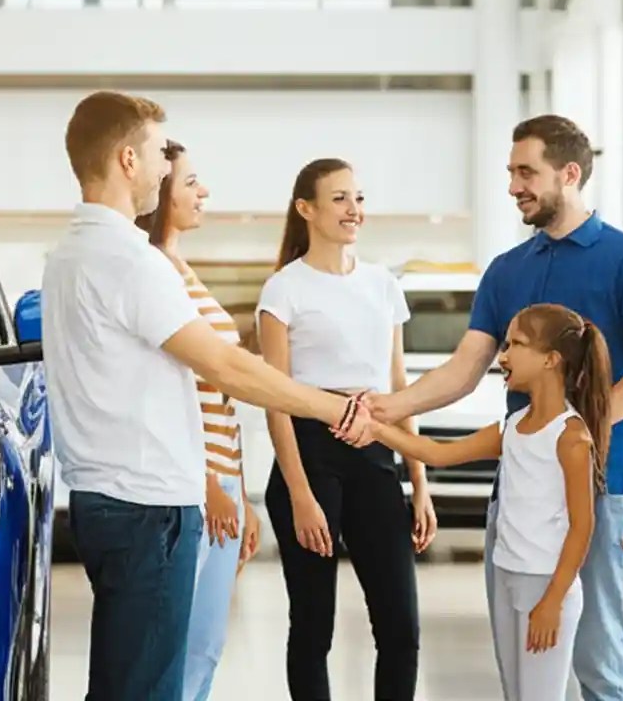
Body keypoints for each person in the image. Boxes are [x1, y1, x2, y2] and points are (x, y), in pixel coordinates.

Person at [43, 90, 374, 700]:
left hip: (104, 498)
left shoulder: (67, 255)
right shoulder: (131, 261)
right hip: (148, 509)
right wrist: (334, 406)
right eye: (154, 155)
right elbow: (224, 366)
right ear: (126, 161)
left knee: (123, 682)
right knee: (151, 688)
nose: (165, 170)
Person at [367, 114, 623, 701]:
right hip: (519, 492)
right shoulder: (507, 270)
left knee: (598, 661)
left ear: (569, 173)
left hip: (600, 489)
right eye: (510, 172)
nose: (512, 186)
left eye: (526, 171)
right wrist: (380, 408)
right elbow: (464, 367)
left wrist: (577, 436)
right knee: (523, 664)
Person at [257, 158, 435, 701]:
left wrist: (419, 483)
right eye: (338, 198)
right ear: (306, 209)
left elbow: (400, 387)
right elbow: (275, 400)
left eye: (357, 197)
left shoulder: (383, 285)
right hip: (309, 456)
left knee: (401, 629)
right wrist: (300, 494)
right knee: (314, 627)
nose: (353, 208)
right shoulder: (283, 289)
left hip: (376, 453)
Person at [373, 303, 609, 701]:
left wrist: (552, 601)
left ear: (551, 360)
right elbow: (437, 452)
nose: (502, 355)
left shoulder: (571, 438)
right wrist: (375, 428)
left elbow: (582, 526)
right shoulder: (513, 426)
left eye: (515, 344)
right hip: (506, 575)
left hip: (545, 585)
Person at [132, 139, 261, 700]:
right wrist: (207, 483)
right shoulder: (155, 271)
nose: (202, 191)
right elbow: (162, 393)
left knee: (205, 647)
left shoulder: (180, 268)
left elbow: (218, 399)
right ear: (161, 194)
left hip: (220, 482)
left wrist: (240, 490)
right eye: (189, 182)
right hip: (194, 484)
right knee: (180, 650)